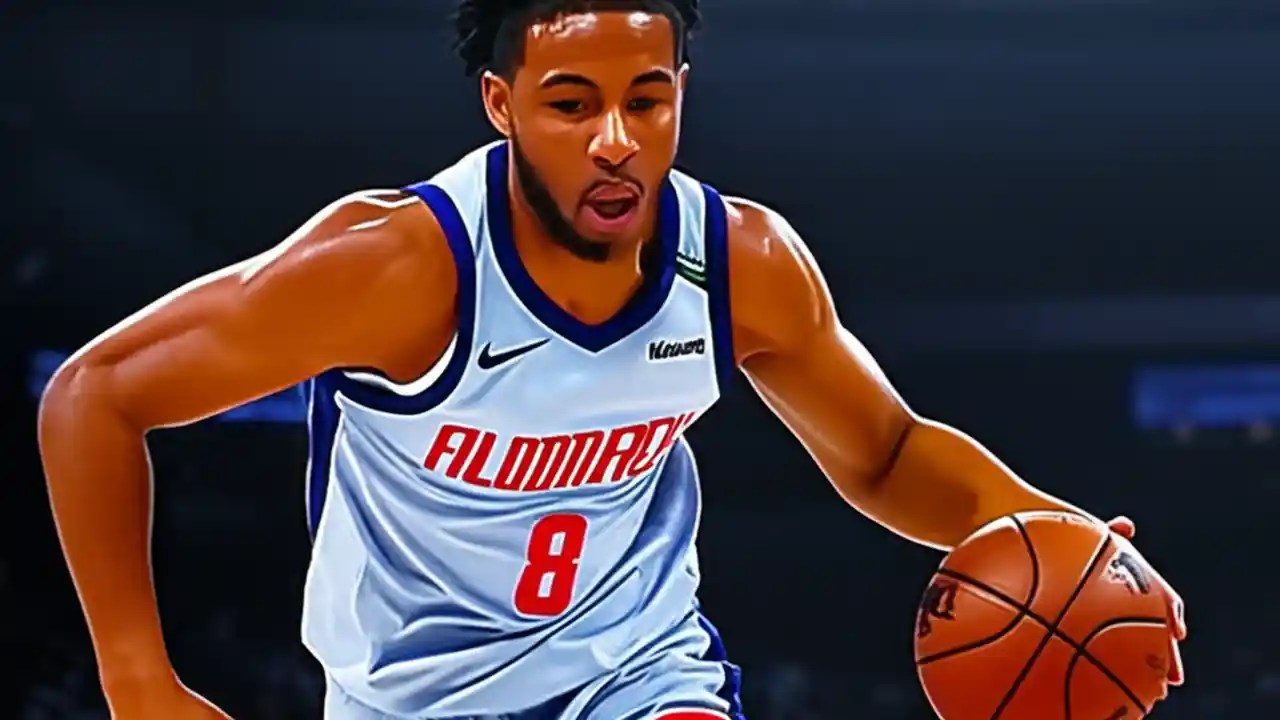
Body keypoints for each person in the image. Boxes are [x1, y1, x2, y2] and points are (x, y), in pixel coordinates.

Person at [36, 1, 1187, 718]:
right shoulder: (397, 268)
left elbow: (883, 453)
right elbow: (93, 396)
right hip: (408, 699)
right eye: (570, 103)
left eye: (647, 98)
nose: (615, 141)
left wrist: (1066, 541)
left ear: (681, 93)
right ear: (500, 104)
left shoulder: (739, 263)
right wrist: (139, 681)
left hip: (633, 677)